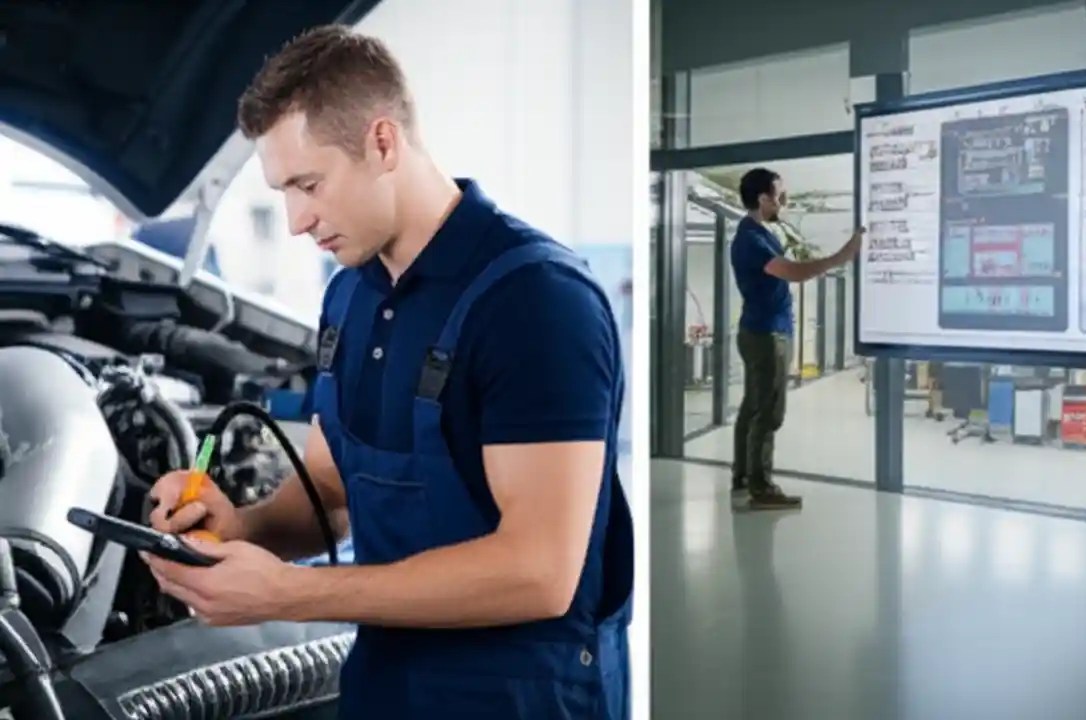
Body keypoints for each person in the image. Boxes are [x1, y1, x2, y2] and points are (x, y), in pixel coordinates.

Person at [142, 25, 632, 719]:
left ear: (382, 142)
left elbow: (541, 572)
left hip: (523, 698)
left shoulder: (536, 302)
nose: (296, 220)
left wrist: (291, 593)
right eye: (283, 190)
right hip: (386, 686)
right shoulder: (350, 294)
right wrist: (241, 526)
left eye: (308, 184)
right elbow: (329, 488)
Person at [729, 167, 863, 511]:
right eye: (779, 194)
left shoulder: (761, 232)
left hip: (761, 329)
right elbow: (794, 272)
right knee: (769, 412)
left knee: (752, 407)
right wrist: (842, 256)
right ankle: (761, 487)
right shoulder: (751, 240)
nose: (784, 200)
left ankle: (744, 477)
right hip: (766, 334)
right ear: (763, 198)